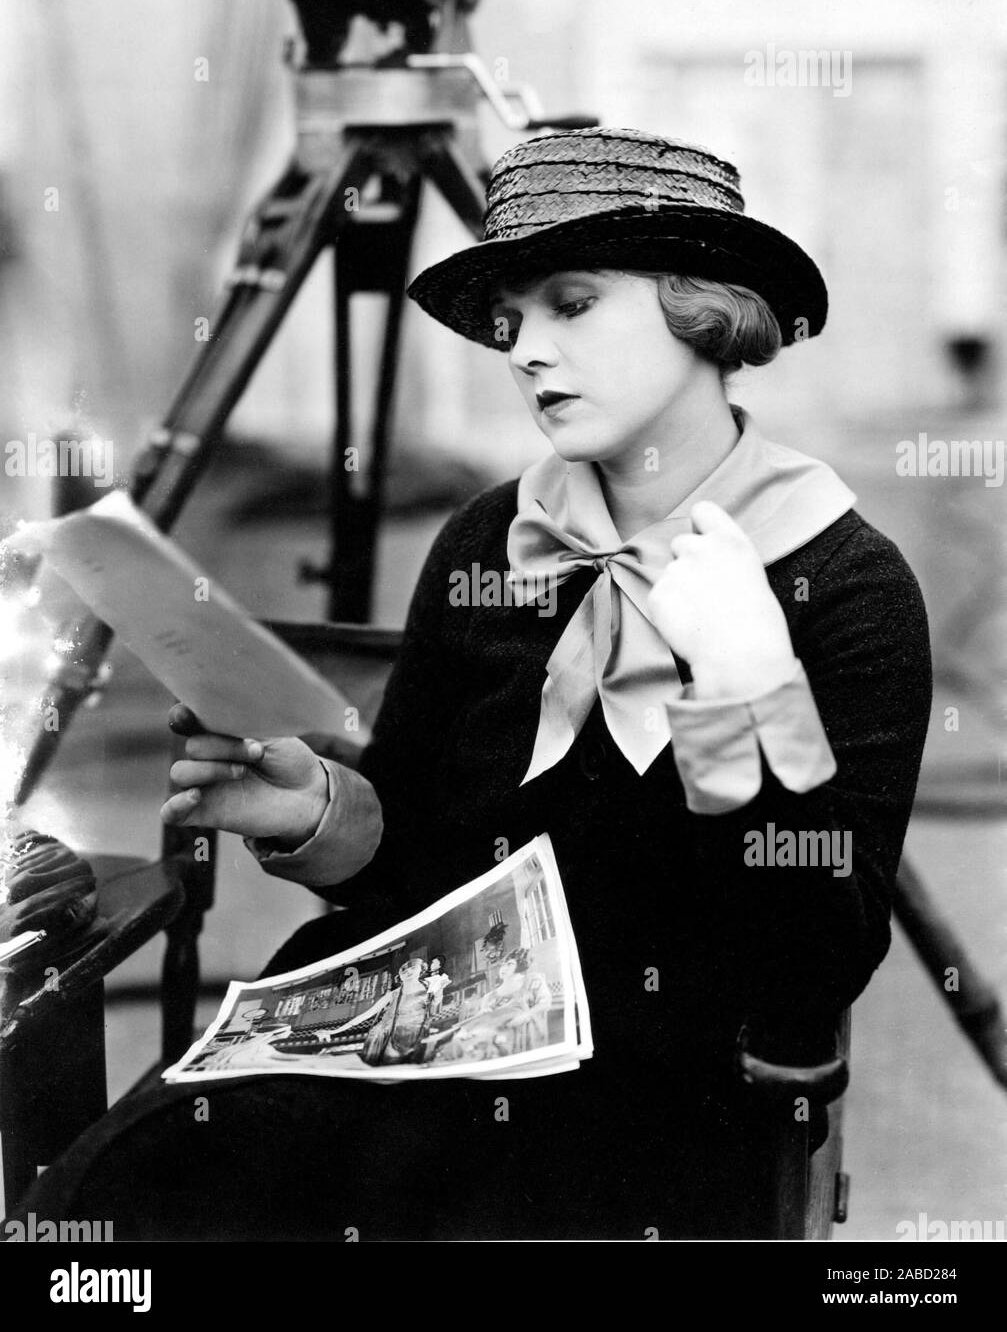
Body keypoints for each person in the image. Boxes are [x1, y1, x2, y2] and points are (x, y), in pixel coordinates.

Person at [11, 127, 932, 1241]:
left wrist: (741, 687)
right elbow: (415, 863)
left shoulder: (843, 581)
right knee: (126, 1198)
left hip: (657, 1091)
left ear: (706, 309)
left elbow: (813, 956)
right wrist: (310, 814)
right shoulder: (491, 538)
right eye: (513, 321)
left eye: (572, 304)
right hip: (418, 1033)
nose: (526, 351)